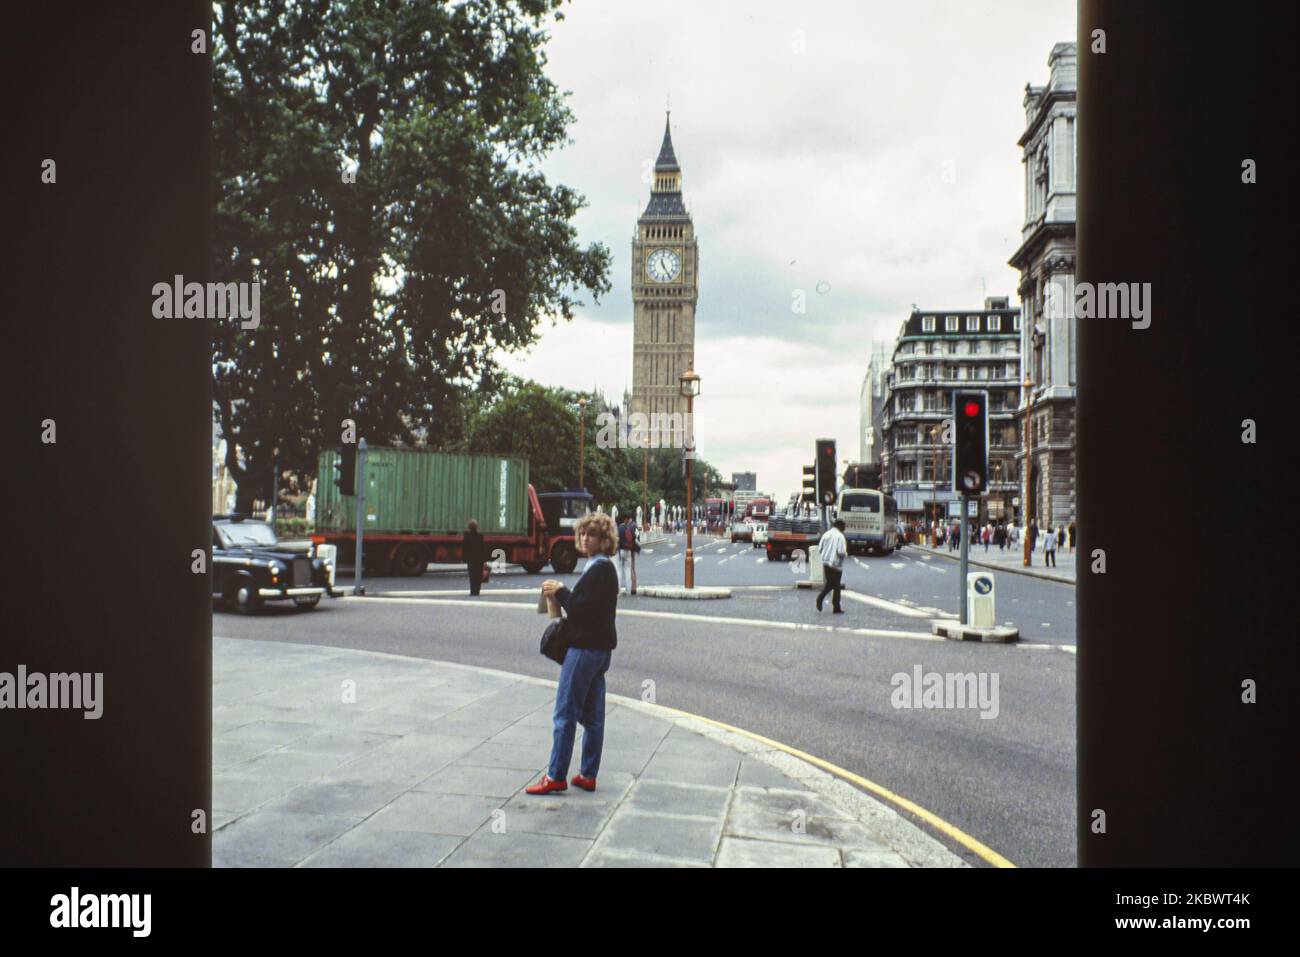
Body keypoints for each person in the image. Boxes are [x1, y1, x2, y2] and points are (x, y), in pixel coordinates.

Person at [528, 512, 619, 795]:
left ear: (604, 540)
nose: (584, 538)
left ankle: (556, 775)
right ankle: (588, 774)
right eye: (582, 534)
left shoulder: (600, 569)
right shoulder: (602, 567)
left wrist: (562, 591)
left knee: (564, 713)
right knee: (593, 718)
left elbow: (582, 608)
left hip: (584, 649)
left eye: (591, 534)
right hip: (600, 650)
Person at [816, 518, 848, 614]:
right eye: (844, 527)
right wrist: (846, 554)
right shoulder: (840, 536)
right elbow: (841, 551)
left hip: (826, 562)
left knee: (831, 584)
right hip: (836, 563)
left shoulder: (826, 534)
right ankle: (833, 605)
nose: (844, 529)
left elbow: (820, 548)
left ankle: (832, 604)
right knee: (835, 585)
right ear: (840, 526)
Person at [616, 514, 640, 596]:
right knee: (628, 570)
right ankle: (629, 591)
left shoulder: (620, 528)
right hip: (629, 551)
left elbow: (617, 539)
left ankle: (618, 590)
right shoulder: (629, 528)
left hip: (621, 551)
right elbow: (634, 539)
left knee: (619, 571)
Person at [464, 519, 485, 596]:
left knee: (472, 576)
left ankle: (472, 591)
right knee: (478, 576)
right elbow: (483, 548)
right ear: (477, 527)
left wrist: (464, 558)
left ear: (469, 527)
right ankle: (477, 591)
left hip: (471, 559)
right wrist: (484, 560)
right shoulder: (480, 536)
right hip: (479, 559)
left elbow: (465, 547)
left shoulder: (466, 535)